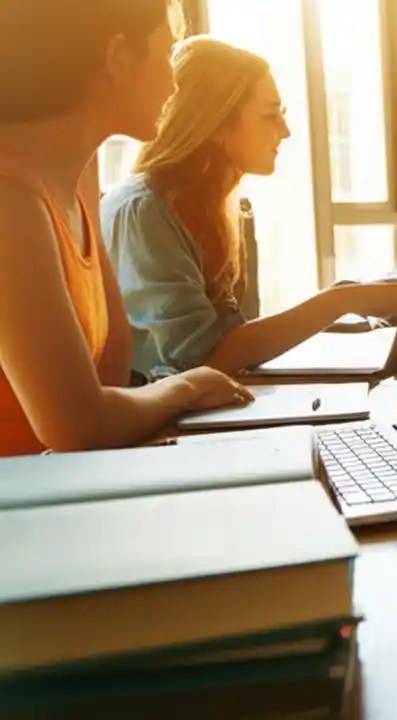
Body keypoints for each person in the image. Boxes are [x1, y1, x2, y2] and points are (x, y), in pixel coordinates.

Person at [0, 1, 250, 456]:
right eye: (168, 51)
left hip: (69, 483)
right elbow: (79, 426)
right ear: (118, 57)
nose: (175, 83)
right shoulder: (9, 199)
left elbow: (110, 374)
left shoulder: (78, 173)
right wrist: (186, 387)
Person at [102, 37, 397, 378]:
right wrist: (341, 302)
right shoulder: (143, 214)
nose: (285, 131)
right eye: (271, 115)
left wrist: (342, 297)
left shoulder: (210, 207)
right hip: (160, 411)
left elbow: (231, 344)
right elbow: (199, 364)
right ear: (215, 125)